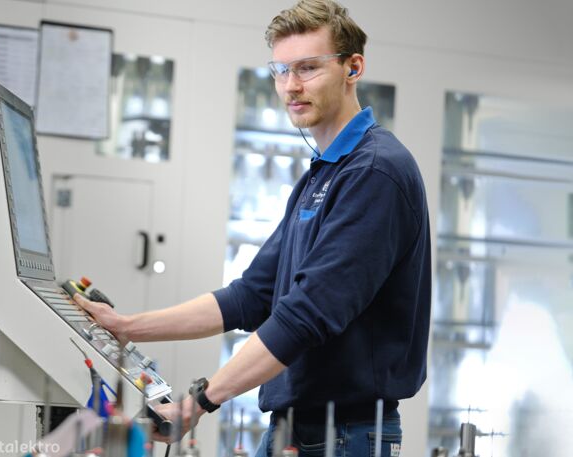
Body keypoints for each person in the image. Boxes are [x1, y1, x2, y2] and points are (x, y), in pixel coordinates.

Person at [73, 0, 430, 455]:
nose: (291, 86)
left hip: (343, 435)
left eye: (307, 68)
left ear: (352, 67)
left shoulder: (375, 172)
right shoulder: (324, 173)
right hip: (296, 431)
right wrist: (128, 327)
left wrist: (198, 403)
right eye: (281, 71)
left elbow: (306, 315)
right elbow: (252, 295)